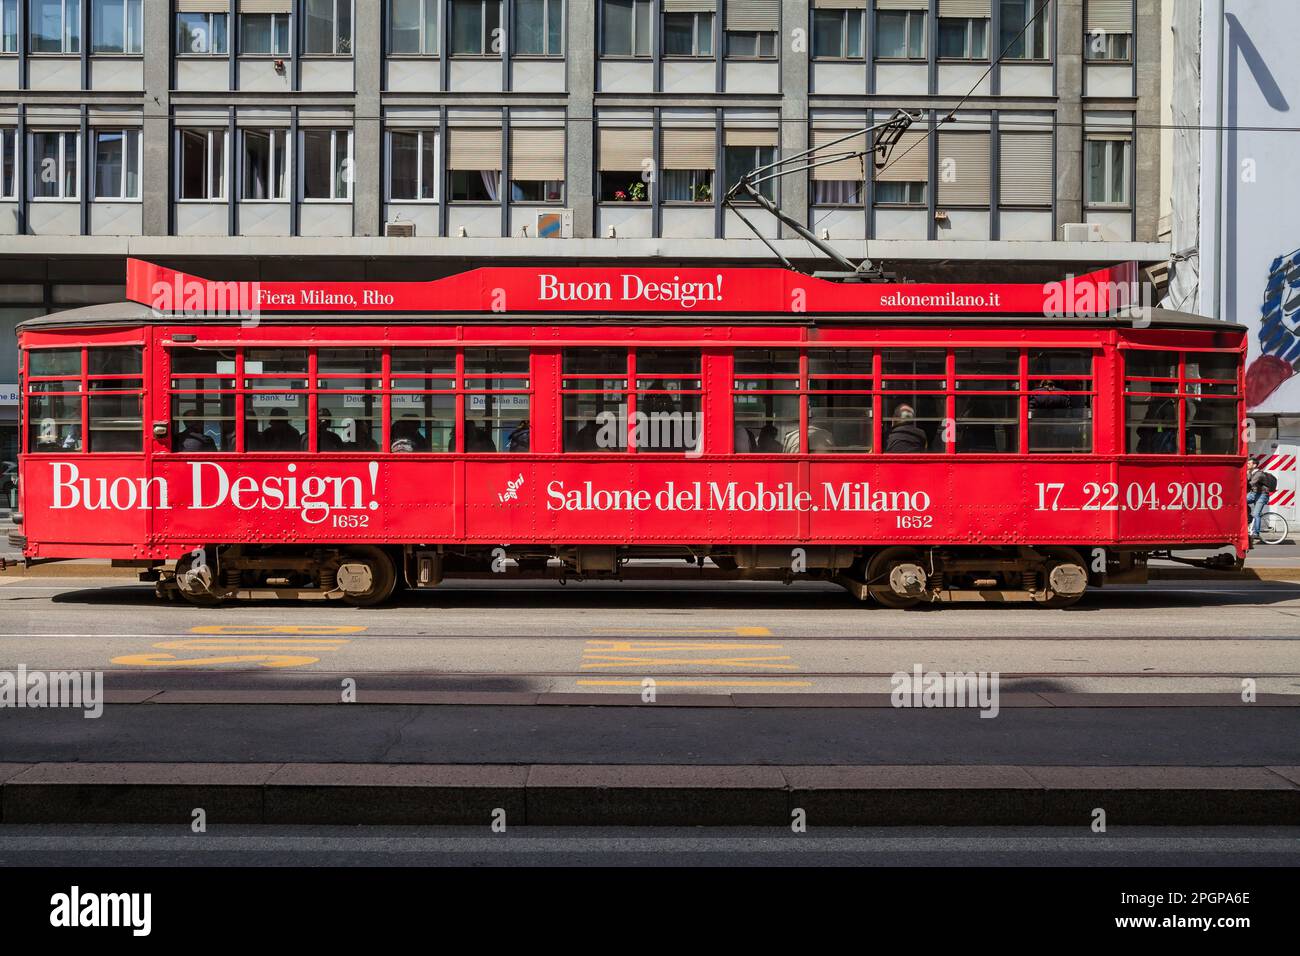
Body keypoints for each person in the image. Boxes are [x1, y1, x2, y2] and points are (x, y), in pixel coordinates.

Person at [1247, 456, 1276, 541]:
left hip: (1262, 495)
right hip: (1254, 493)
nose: (1247, 465)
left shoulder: (1259, 474)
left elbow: (1250, 484)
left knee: (1256, 513)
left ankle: (1256, 533)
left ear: (1255, 465)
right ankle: (1249, 518)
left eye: (1249, 463)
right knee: (1240, 502)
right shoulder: (1251, 472)